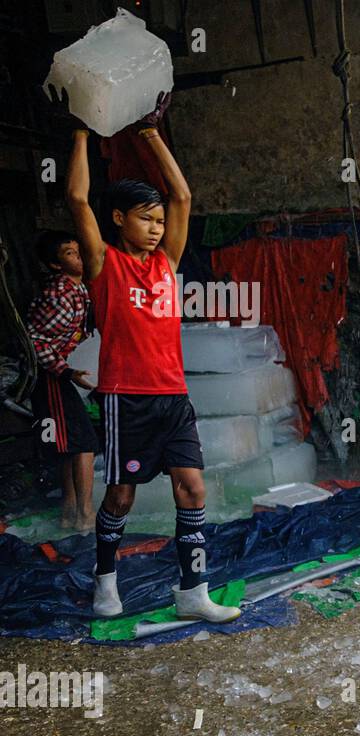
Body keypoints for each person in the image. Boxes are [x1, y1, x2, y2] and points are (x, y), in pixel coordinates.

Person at [65, 96, 238, 624]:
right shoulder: (104, 263)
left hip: (173, 399)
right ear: (119, 220)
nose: (158, 228)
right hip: (127, 400)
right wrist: (79, 134)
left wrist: (149, 134)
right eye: (146, 220)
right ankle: (105, 581)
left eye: (160, 220)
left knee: (193, 488)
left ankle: (193, 590)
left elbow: (182, 194)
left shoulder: (166, 262)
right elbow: (76, 198)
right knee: (120, 497)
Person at [24, 230, 97, 531]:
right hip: (51, 376)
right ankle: (85, 515)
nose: (78, 256)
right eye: (69, 253)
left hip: (61, 371)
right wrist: (66, 372)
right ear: (55, 265)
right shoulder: (58, 293)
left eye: (79, 250)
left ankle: (69, 513)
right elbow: (34, 339)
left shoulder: (78, 288)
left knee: (69, 445)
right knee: (84, 443)